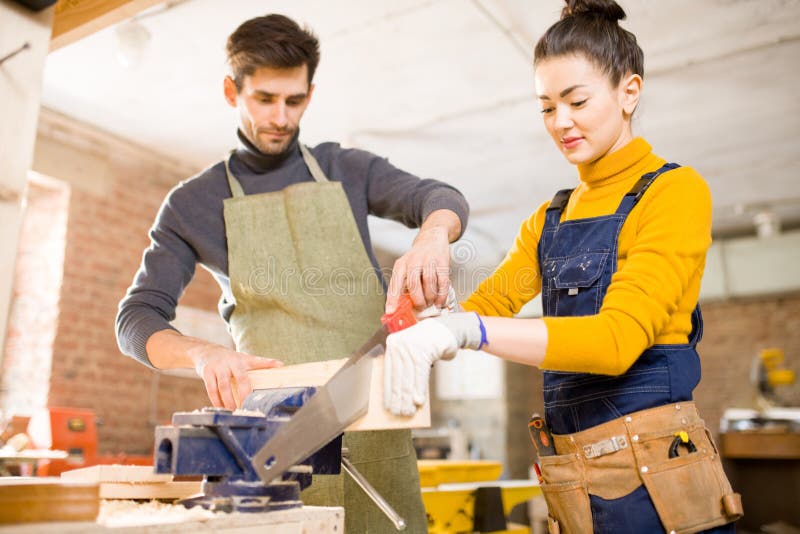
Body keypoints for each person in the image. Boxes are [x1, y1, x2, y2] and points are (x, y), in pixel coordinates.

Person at [382, 1, 743, 532]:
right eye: (546, 107)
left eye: (576, 100)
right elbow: (487, 306)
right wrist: (427, 314)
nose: (561, 122)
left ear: (629, 92)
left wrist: (470, 330)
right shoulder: (549, 218)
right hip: (575, 483)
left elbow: (616, 342)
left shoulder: (674, 192)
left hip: (660, 488)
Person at [116, 13, 469, 533]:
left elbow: (440, 197)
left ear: (309, 92)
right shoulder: (192, 203)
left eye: (295, 100)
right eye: (265, 99)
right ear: (231, 90)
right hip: (279, 443)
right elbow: (135, 318)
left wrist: (434, 235)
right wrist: (202, 353)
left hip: (378, 426)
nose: (281, 117)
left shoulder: (346, 168)